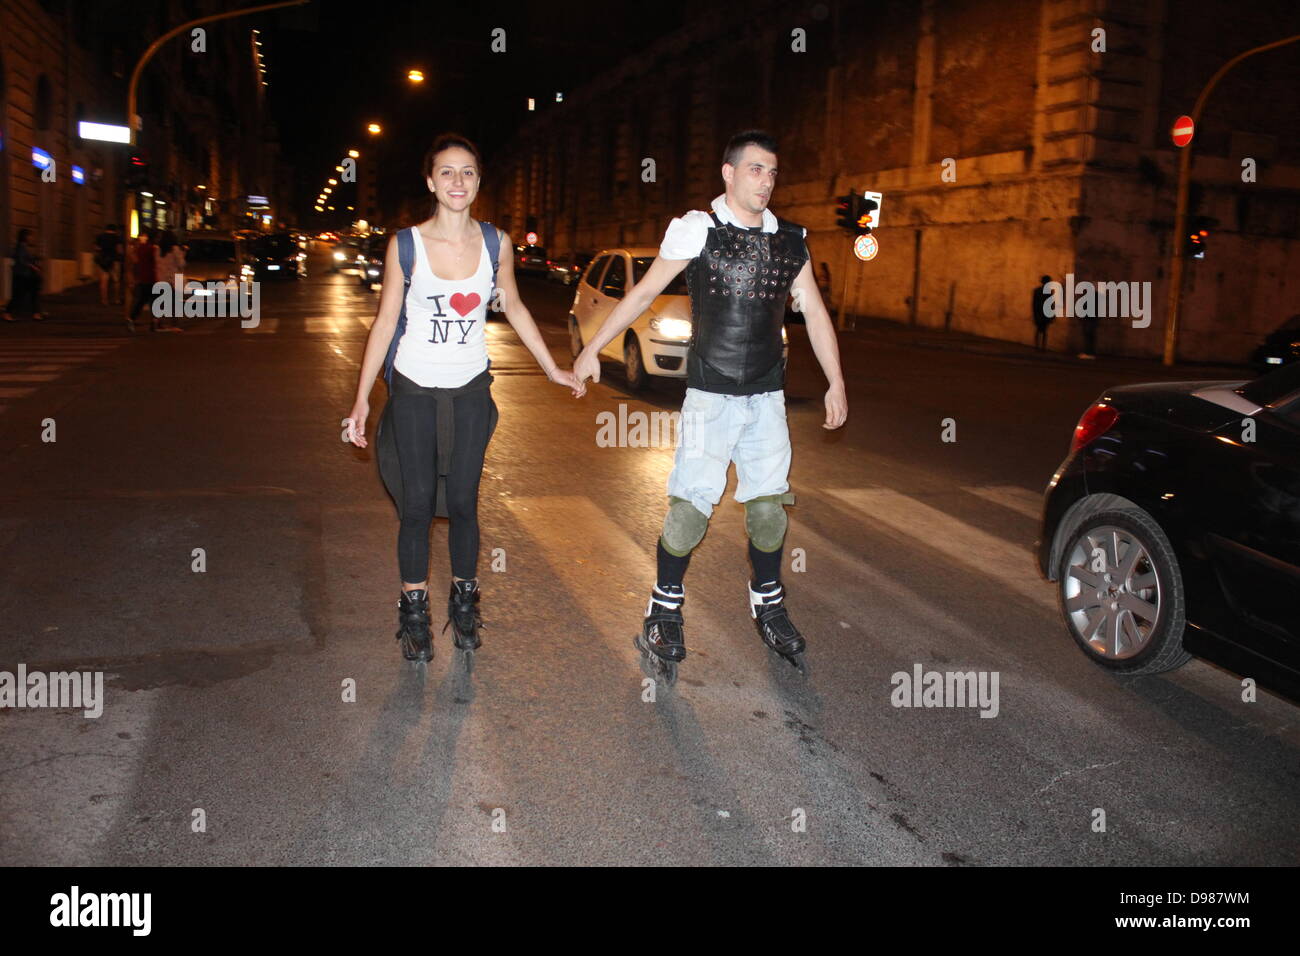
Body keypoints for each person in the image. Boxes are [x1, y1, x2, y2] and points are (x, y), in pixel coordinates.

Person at [574, 130, 848, 680]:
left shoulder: (791, 239)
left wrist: (835, 382)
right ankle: (663, 610)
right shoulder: (697, 228)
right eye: (755, 170)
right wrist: (592, 348)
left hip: (766, 397)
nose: (765, 181)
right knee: (690, 510)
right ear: (728, 173)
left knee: (769, 511)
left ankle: (768, 603)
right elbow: (646, 292)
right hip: (709, 397)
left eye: (772, 172)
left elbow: (814, 313)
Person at [345, 133, 585, 663]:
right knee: (415, 506)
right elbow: (385, 322)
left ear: (478, 181)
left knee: (462, 504)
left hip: (471, 388)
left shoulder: (496, 242)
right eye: (447, 172)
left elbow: (516, 306)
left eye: (468, 172)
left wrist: (553, 369)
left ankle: (464, 602)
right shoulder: (405, 245)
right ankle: (413, 611)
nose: (458, 181)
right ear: (431, 182)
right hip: (413, 388)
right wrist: (362, 399)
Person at [2, 229, 44, 322]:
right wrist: (33, 267)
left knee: (33, 293)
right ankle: (7, 313)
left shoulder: (23, 247)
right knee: (19, 295)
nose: (32, 238)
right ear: (25, 237)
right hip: (22, 276)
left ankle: (36, 313)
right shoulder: (20, 247)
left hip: (25, 275)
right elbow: (21, 261)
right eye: (30, 236)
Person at [127, 229, 159, 333]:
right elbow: (156, 264)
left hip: (143, 278)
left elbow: (136, 261)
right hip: (151, 278)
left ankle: (133, 318)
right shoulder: (153, 249)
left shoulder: (141, 248)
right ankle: (153, 321)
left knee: (143, 300)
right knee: (152, 301)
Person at [154, 231, 185, 332]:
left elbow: (156, 263)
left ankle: (159, 323)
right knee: (175, 304)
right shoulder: (174, 249)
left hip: (161, 279)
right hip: (173, 279)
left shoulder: (158, 249)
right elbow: (181, 264)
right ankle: (174, 324)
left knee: (162, 302)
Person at [94, 223, 123, 306]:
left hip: (103, 261)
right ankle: (116, 299)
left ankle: (104, 300)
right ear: (115, 230)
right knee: (116, 281)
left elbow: (96, 248)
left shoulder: (100, 237)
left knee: (103, 281)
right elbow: (119, 250)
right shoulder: (117, 238)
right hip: (114, 261)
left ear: (106, 229)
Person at [1032, 274, 1053, 351]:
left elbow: (1034, 304)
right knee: (1044, 331)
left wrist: (1035, 314)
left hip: (1039, 313)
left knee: (1039, 330)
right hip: (1045, 313)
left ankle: (1037, 347)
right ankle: (1043, 347)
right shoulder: (1049, 292)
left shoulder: (1037, 290)